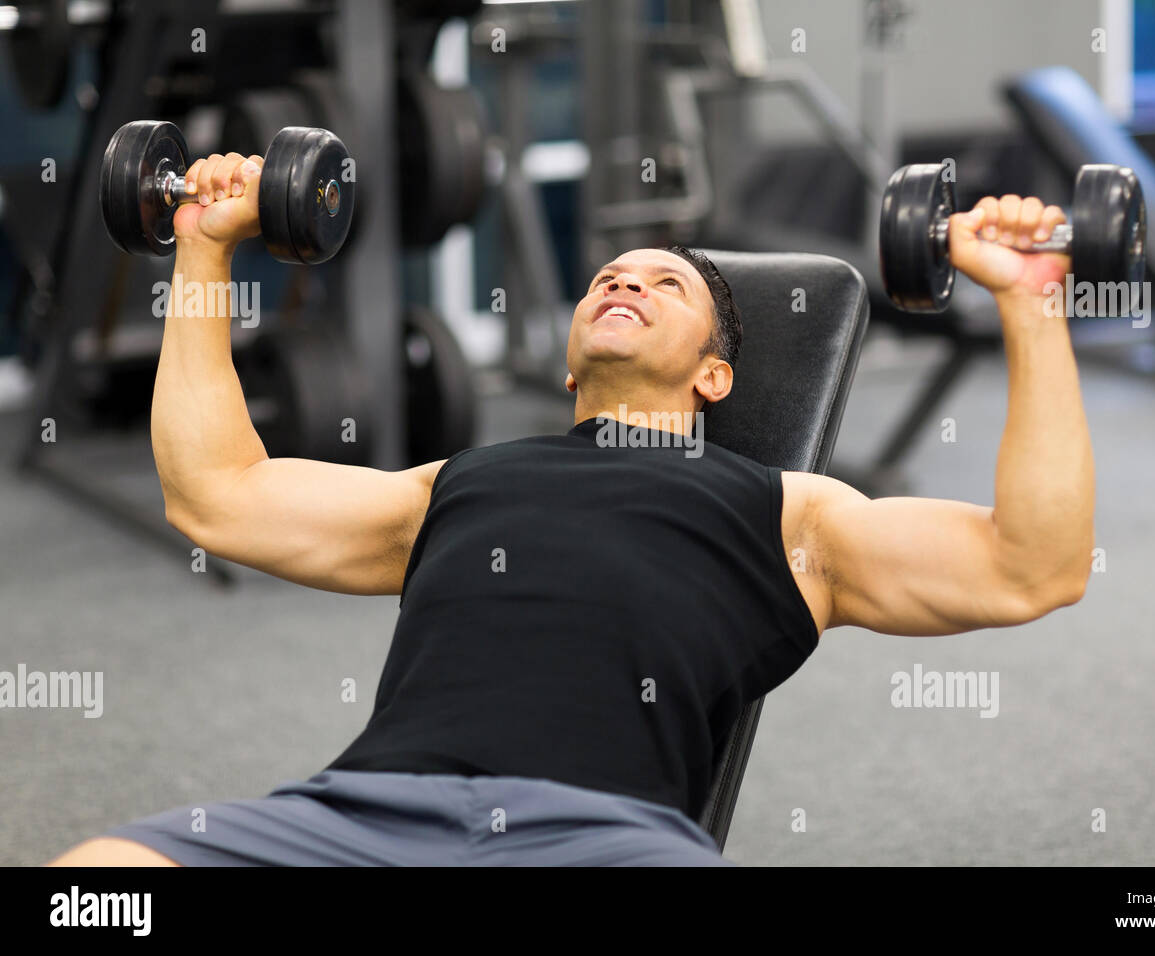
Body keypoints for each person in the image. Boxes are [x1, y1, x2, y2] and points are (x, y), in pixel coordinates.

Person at [47, 150, 1092, 866]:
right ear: (565, 363)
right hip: (360, 818)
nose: (626, 282)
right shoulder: (453, 484)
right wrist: (200, 246)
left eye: (665, 286)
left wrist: (1030, 303)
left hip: (598, 838)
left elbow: (1032, 564)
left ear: (716, 379)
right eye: (609, 276)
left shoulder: (793, 517)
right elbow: (215, 493)